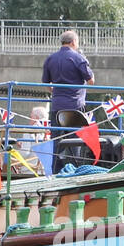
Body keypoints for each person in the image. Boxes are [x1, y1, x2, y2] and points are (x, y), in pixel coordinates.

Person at [42, 30, 95, 168]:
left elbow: (46, 84)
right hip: (74, 107)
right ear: (73, 42)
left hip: (57, 106)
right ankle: (74, 168)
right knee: (75, 140)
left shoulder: (50, 58)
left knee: (56, 140)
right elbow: (91, 81)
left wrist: (56, 91)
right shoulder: (79, 58)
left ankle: (55, 170)